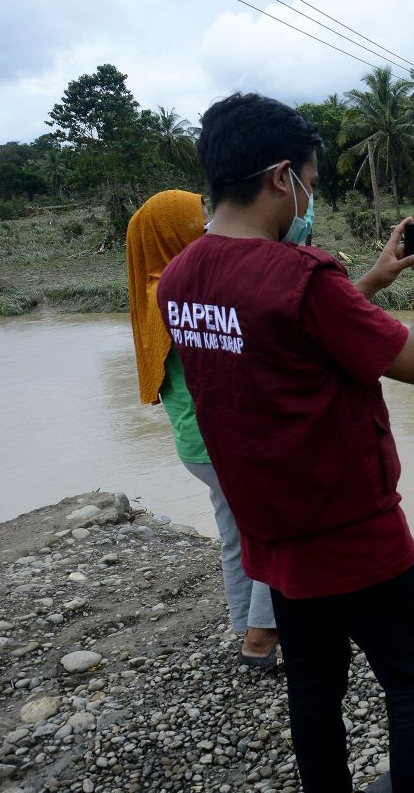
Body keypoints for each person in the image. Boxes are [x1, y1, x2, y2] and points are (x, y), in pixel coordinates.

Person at [158, 92, 414, 792]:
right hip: (352, 528)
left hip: (276, 530)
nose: (309, 197)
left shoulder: (179, 280)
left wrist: (373, 281)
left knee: (314, 684)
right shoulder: (302, 276)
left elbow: (276, 337)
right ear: (280, 178)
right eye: (311, 181)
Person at [126, 190, 279, 667]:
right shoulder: (181, 290)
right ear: (174, 233)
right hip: (223, 443)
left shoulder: (154, 289)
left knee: (236, 533)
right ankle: (260, 637)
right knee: (275, 533)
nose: (211, 227)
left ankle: (244, 626)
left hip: (194, 445)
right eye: (200, 221)